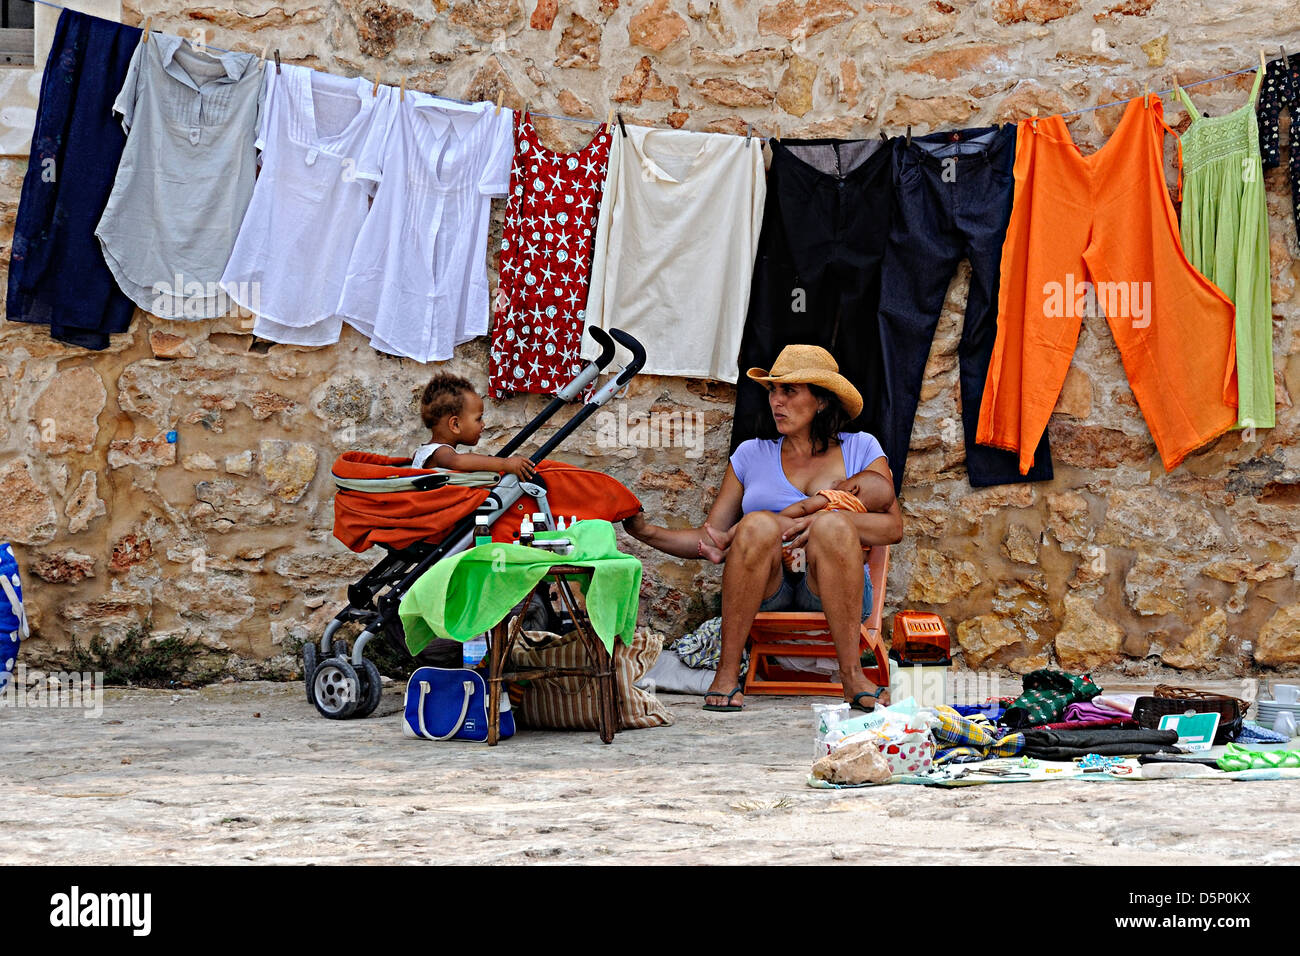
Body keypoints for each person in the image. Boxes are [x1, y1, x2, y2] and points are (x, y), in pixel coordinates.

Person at [623, 345, 903, 713]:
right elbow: (712, 540)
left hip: (832, 585)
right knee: (754, 525)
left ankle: (852, 676)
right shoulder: (751, 454)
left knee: (833, 523)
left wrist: (821, 518)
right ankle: (725, 675)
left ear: (820, 401)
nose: (776, 401)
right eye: (773, 391)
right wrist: (647, 533)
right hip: (768, 586)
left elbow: (892, 528)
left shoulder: (861, 448)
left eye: (789, 391)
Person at [412, 373, 536, 479]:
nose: (483, 424)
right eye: (478, 419)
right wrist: (504, 464)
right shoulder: (441, 453)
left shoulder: (423, 451)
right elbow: (458, 461)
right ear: (455, 424)